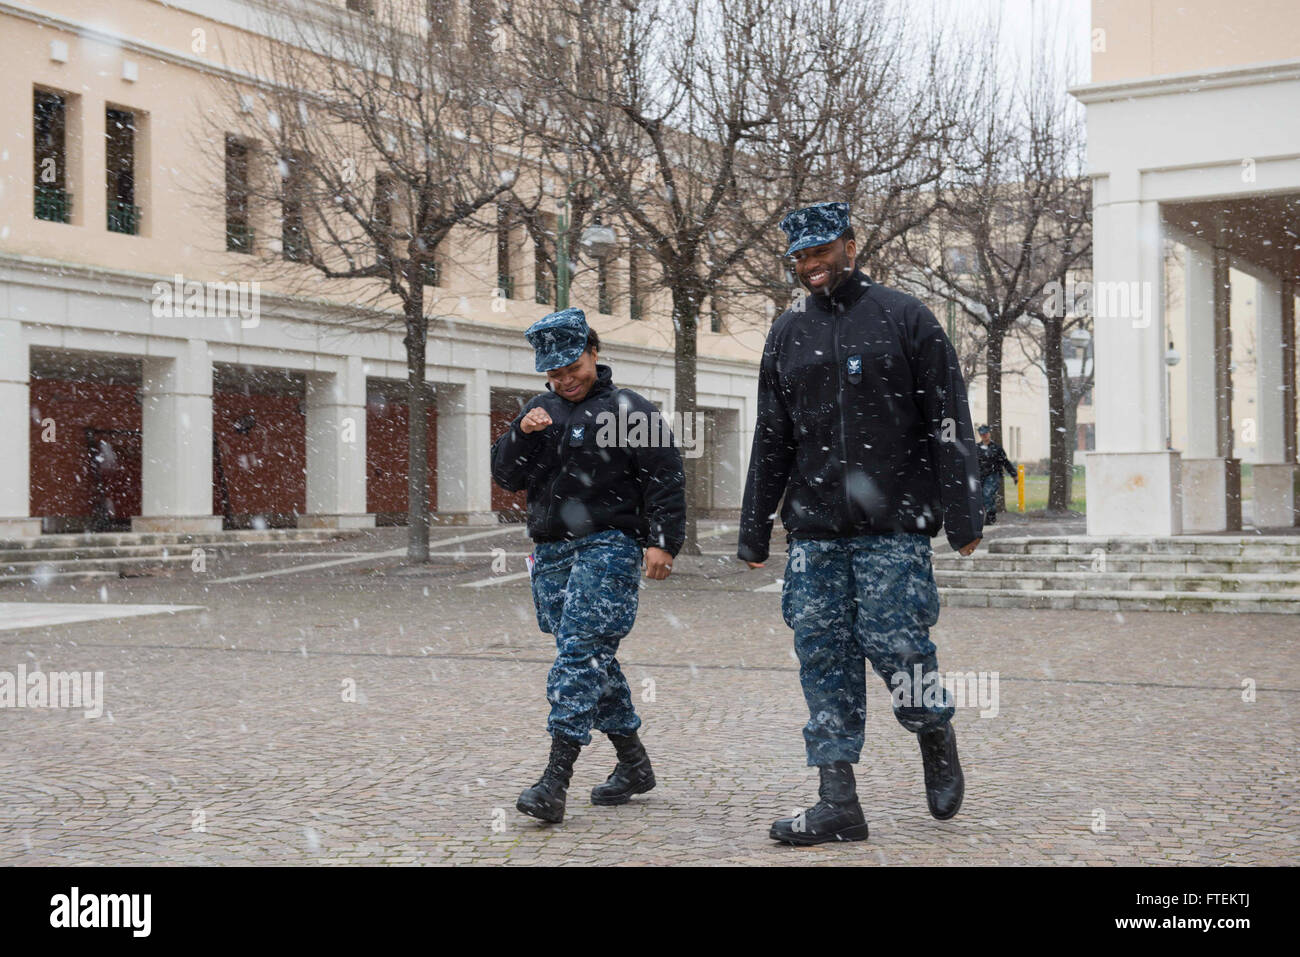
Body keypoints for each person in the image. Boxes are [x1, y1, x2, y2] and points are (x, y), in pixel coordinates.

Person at [737, 201, 983, 845]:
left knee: (898, 644)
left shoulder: (906, 318)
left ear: (850, 244)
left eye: (820, 252)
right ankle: (837, 801)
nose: (810, 266)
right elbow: (772, 435)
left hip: (893, 525)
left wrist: (963, 513)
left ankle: (933, 731)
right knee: (822, 655)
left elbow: (949, 420)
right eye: (799, 257)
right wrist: (754, 527)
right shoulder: (787, 331)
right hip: (815, 531)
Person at [490, 307, 686, 824]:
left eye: (572, 367)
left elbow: (665, 477)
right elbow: (506, 476)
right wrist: (521, 435)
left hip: (610, 544)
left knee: (578, 654)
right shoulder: (539, 410)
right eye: (553, 373)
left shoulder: (630, 410)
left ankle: (555, 779)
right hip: (551, 549)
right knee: (588, 653)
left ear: (593, 353)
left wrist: (663, 542)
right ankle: (633, 762)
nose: (564, 379)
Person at [977, 425, 1018, 524]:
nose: (984, 436)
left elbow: (1005, 462)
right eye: (982, 434)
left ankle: (990, 517)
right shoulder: (976, 448)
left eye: (986, 434)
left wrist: (1014, 475)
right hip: (980, 475)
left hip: (993, 475)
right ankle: (990, 514)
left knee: (987, 494)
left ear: (989, 434)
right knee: (982, 496)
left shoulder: (996, 448)